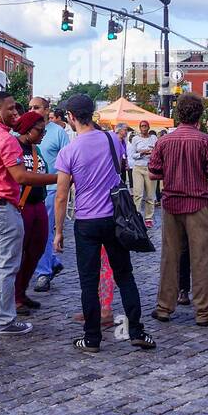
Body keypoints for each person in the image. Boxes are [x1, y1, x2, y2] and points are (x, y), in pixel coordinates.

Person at [53, 93, 156, 354]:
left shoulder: (69, 151)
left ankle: (91, 337)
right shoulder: (112, 139)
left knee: (88, 281)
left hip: (87, 221)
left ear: (71, 117)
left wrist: (57, 232)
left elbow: (62, 195)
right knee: (125, 276)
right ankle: (136, 331)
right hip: (114, 217)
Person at [0, 91, 56, 336]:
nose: (16, 113)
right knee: (4, 265)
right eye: (11, 109)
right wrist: (61, 178)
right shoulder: (6, 139)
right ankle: (3, 320)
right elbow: (21, 177)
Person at [149, 93, 208, 326]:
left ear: (178, 114)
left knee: (170, 256)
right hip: (198, 204)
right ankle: (204, 311)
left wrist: (172, 172)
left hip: (171, 204)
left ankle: (164, 307)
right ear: (199, 116)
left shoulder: (164, 141)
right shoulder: (206, 141)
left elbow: (153, 172)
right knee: (201, 258)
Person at [10, 110, 52, 315]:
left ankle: (22, 291)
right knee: (18, 252)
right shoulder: (14, 146)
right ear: (27, 129)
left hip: (38, 204)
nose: (43, 134)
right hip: (20, 205)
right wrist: (57, 179)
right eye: (40, 130)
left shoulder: (36, 150)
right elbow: (21, 177)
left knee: (36, 249)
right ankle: (14, 296)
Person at [29, 99, 69, 292]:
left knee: (44, 231)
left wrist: (64, 186)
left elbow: (68, 161)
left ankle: (43, 272)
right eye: (30, 107)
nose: (32, 110)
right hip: (28, 191)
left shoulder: (58, 132)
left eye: (36, 107)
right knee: (32, 232)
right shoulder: (25, 129)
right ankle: (51, 262)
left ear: (47, 110)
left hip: (51, 190)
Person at [127, 119, 159, 227]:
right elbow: (132, 155)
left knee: (150, 195)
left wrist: (152, 151)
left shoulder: (154, 138)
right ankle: (137, 215)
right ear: (139, 128)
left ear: (149, 127)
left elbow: (158, 151)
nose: (144, 128)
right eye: (142, 126)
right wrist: (142, 153)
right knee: (138, 194)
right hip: (138, 168)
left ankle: (148, 218)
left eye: (145, 126)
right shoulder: (135, 139)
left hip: (150, 168)